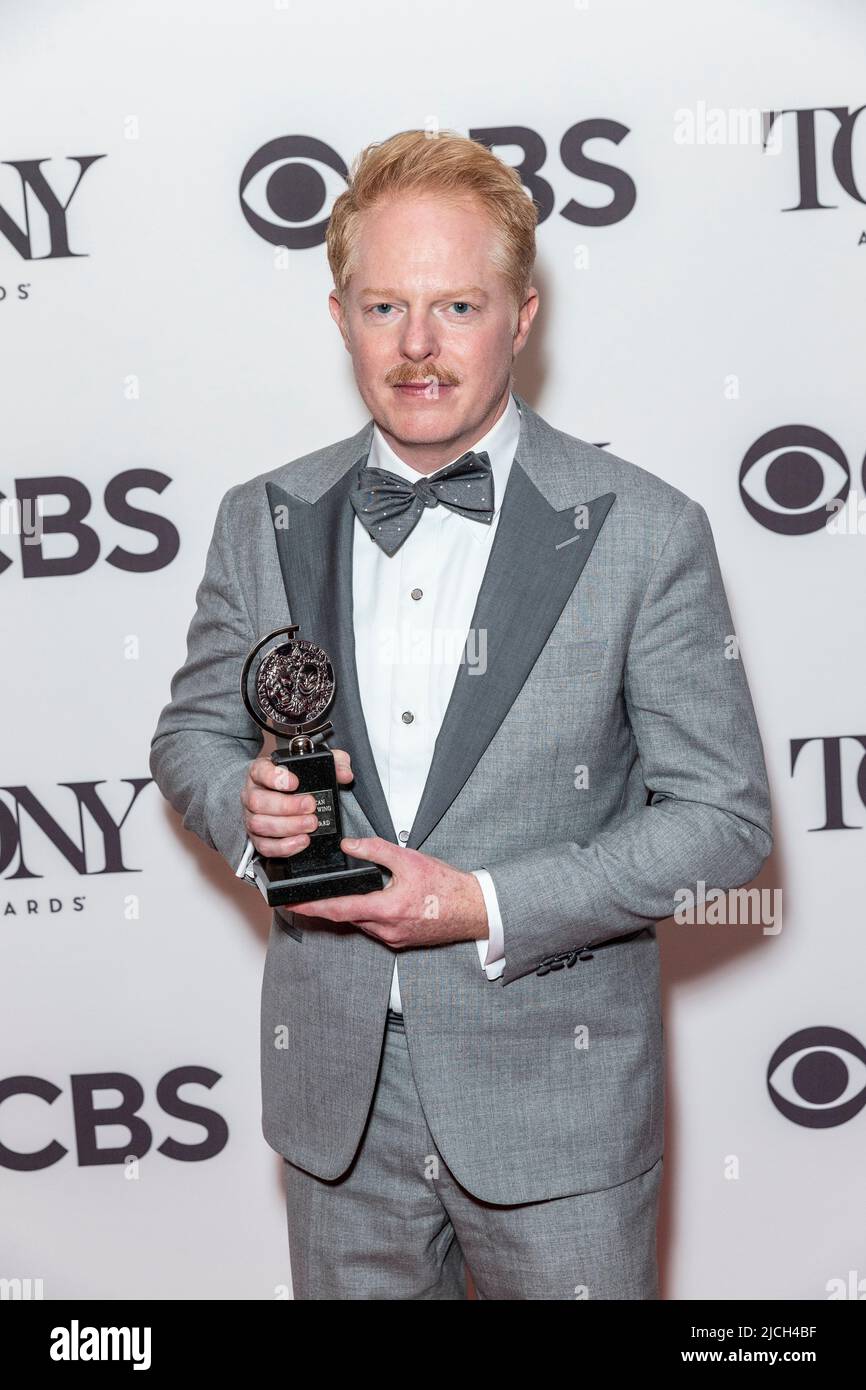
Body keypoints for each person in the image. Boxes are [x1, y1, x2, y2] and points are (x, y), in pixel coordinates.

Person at [149, 128, 773, 1300]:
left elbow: (721, 822)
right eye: (384, 307)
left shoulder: (643, 530)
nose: (418, 348)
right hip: (338, 1114)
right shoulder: (260, 517)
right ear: (338, 316)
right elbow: (190, 734)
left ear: (522, 317)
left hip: (559, 1110)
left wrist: (477, 903)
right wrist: (246, 810)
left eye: (456, 307)